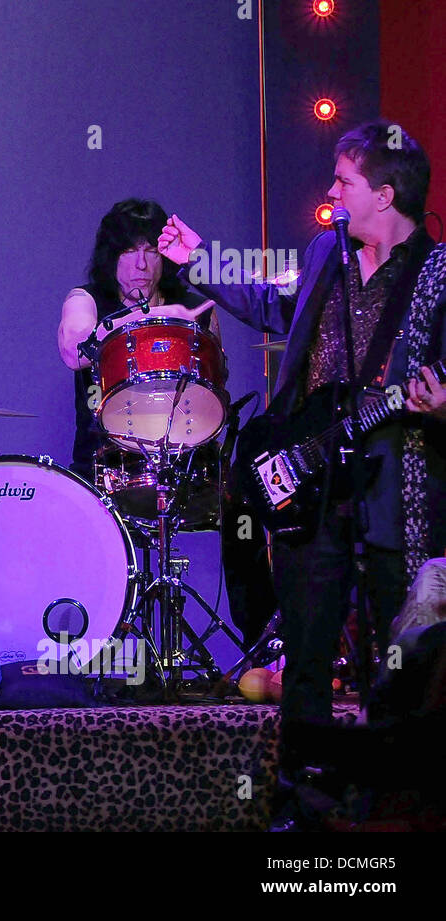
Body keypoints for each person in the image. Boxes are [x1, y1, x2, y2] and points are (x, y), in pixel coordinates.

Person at [157, 121, 446, 763]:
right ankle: (305, 794)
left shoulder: (438, 273)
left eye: (345, 181)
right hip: (311, 484)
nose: (333, 192)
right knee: (307, 656)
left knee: (392, 662)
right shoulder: (325, 253)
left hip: (390, 489)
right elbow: (276, 307)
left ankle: (386, 795)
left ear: (385, 194)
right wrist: (197, 262)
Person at [57, 199, 219, 478]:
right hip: (101, 471)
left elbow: (215, 389)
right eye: (129, 252)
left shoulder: (196, 309)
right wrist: (151, 318)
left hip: (183, 470)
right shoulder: (86, 299)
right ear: (111, 257)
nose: (141, 264)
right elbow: (74, 351)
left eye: (151, 252)